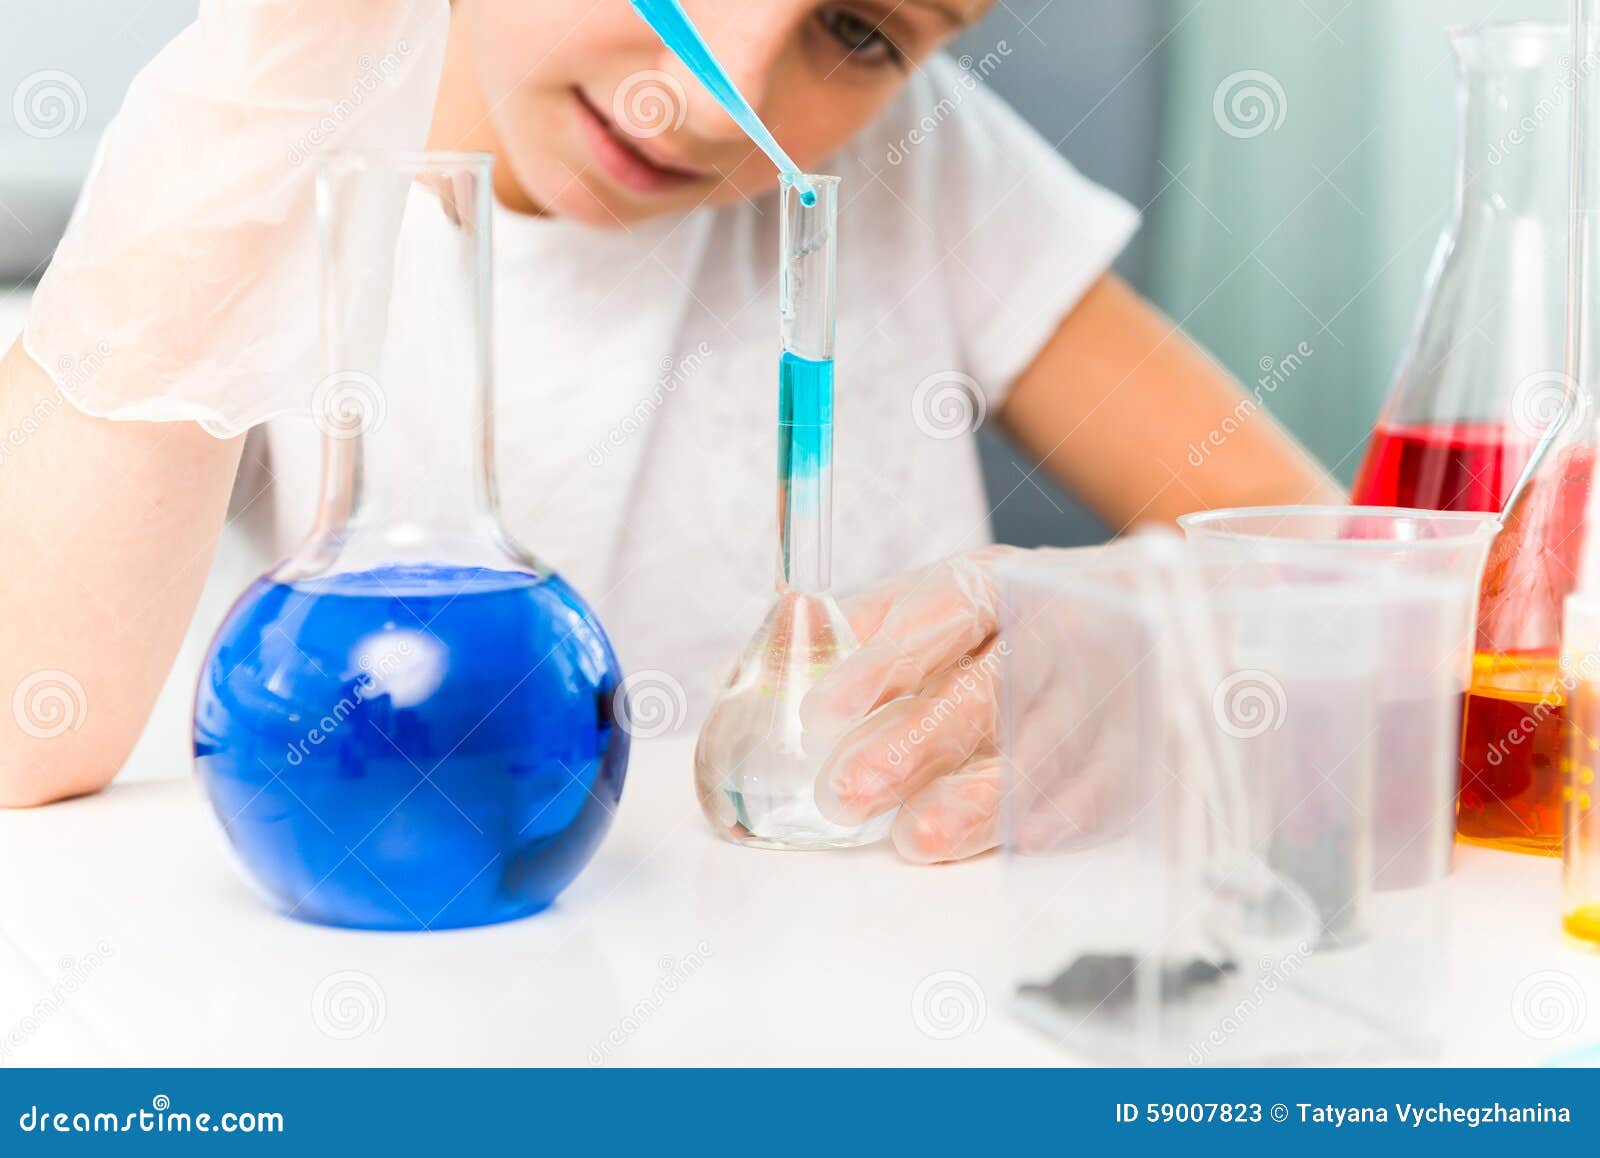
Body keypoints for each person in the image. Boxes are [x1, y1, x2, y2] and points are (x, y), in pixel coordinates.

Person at [0, 1, 1338, 861]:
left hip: (859, 986)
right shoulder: (282, 135)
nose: (711, 94)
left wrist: (1144, 633)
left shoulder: (912, 161)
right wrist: (269, 65)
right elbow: (22, 730)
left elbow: (1324, 547)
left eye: (859, 30)